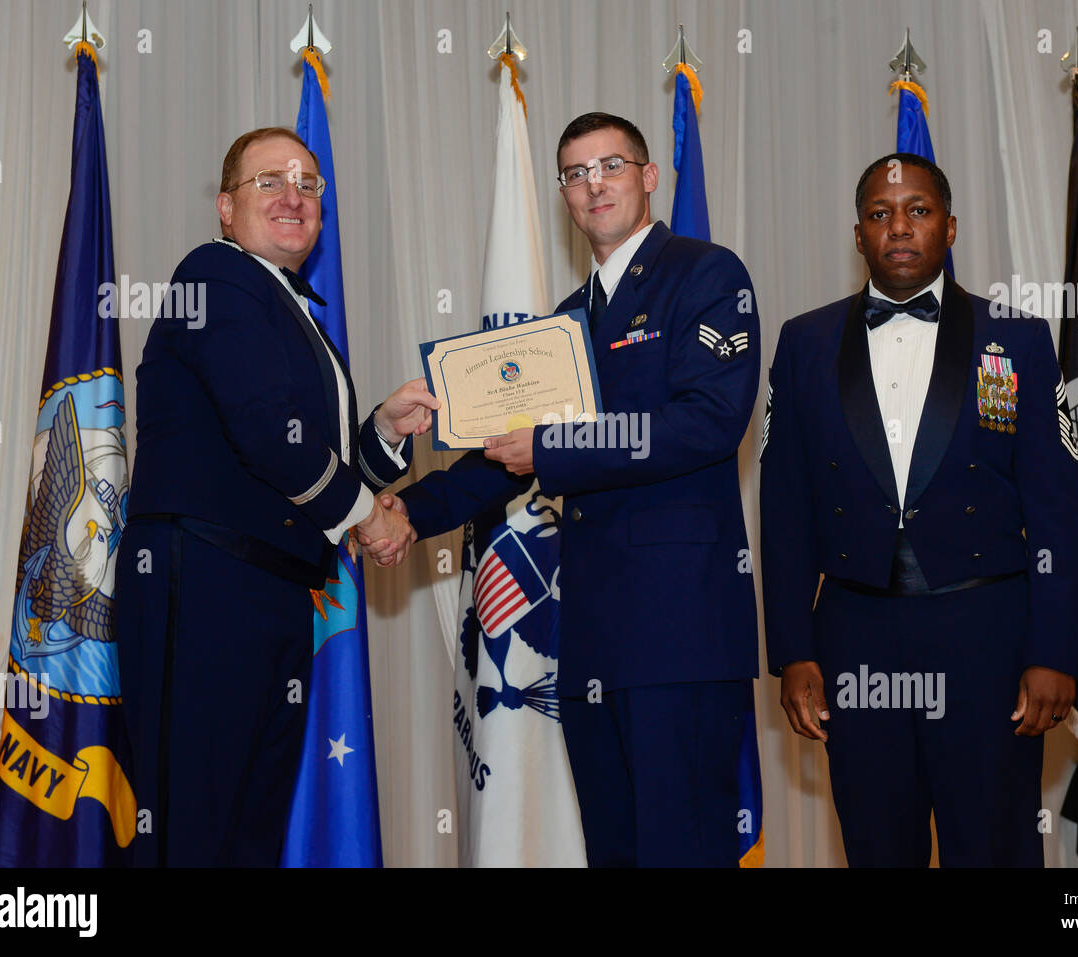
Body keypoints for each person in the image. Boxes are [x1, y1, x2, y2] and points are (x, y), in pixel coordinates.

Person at [373, 113, 761, 866]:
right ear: (564, 196)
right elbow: (500, 460)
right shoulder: (564, 323)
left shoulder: (708, 275)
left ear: (647, 177)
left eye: (610, 166)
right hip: (589, 636)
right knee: (614, 849)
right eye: (575, 175)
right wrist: (406, 514)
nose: (593, 186)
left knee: (683, 850)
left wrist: (552, 444)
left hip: (679, 631)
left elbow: (708, 422)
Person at [115, 126, 435, 866]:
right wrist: (368, 517)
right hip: (204, 583)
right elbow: (267, 431)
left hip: (268, 591)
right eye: (271, 182)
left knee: (248, 829)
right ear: (226, 207)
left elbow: (296, 463)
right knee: (195, 825)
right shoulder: (216, 274)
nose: (294, 196)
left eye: (309, 184)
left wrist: (382, 431)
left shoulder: (291, 309)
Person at [760, 153, 1078, 866]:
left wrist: (1053, 650)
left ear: (950, 226)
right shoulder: (804, 342)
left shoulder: (1018, 337)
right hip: (855, 637)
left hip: (987, 636)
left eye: (917, 210)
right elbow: (784, 510)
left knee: (993, 846)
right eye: (879, 213)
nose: (898, 227)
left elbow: (1056, 509)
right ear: (857, 235)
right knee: (878, 845)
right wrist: (793, 650)